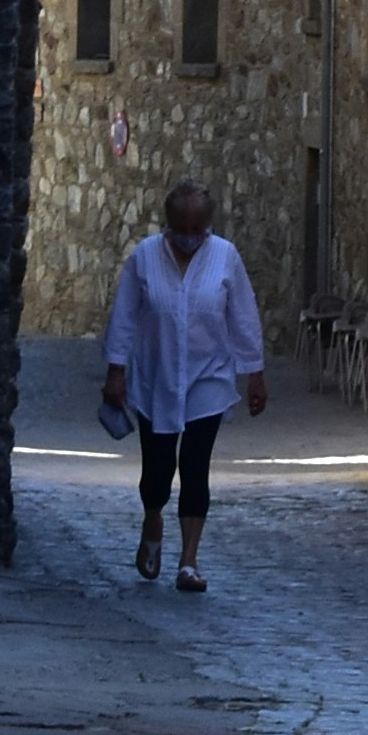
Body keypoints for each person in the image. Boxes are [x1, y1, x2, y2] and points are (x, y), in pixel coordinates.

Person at [99, 180, 266, 595]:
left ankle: (189, 561)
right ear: (169, 224)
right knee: (157, 468)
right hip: (156, 375)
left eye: (198, 227)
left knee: (195, 464)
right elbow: (124, 316)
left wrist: (255, 372)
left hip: (208, 376)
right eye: (182, 227)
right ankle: (152, 518)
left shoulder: (225, 258)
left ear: (208, 224)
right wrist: (115, 370)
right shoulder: (144, 259)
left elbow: (242, 316)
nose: (190, 236)